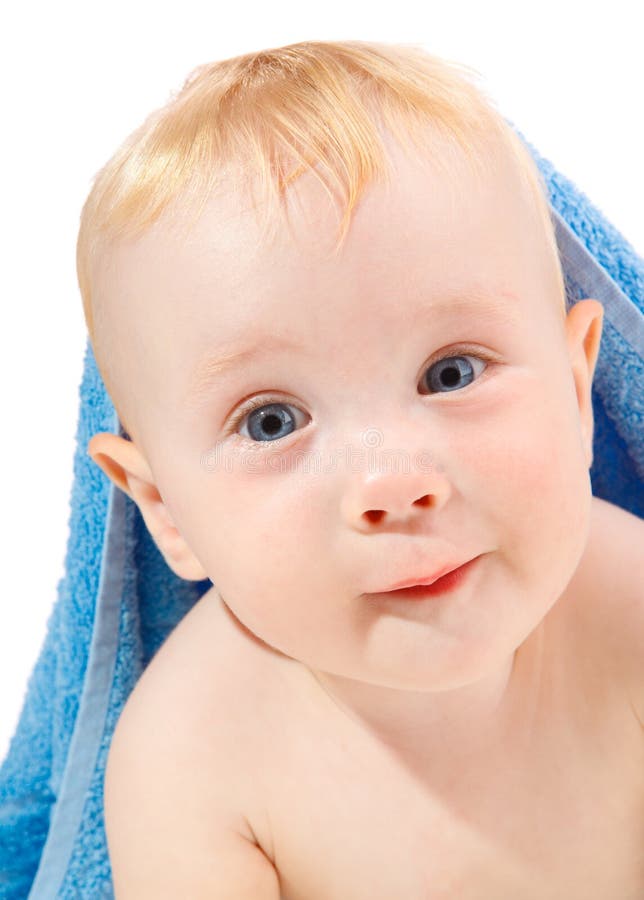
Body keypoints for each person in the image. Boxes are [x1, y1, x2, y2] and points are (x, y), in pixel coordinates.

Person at [79, 39, 644, 898]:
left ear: (575, 389)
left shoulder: (626, 602)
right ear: (167, 511)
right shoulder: (196, 761)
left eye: (451, 372)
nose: (393, 480)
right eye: (272, 422)